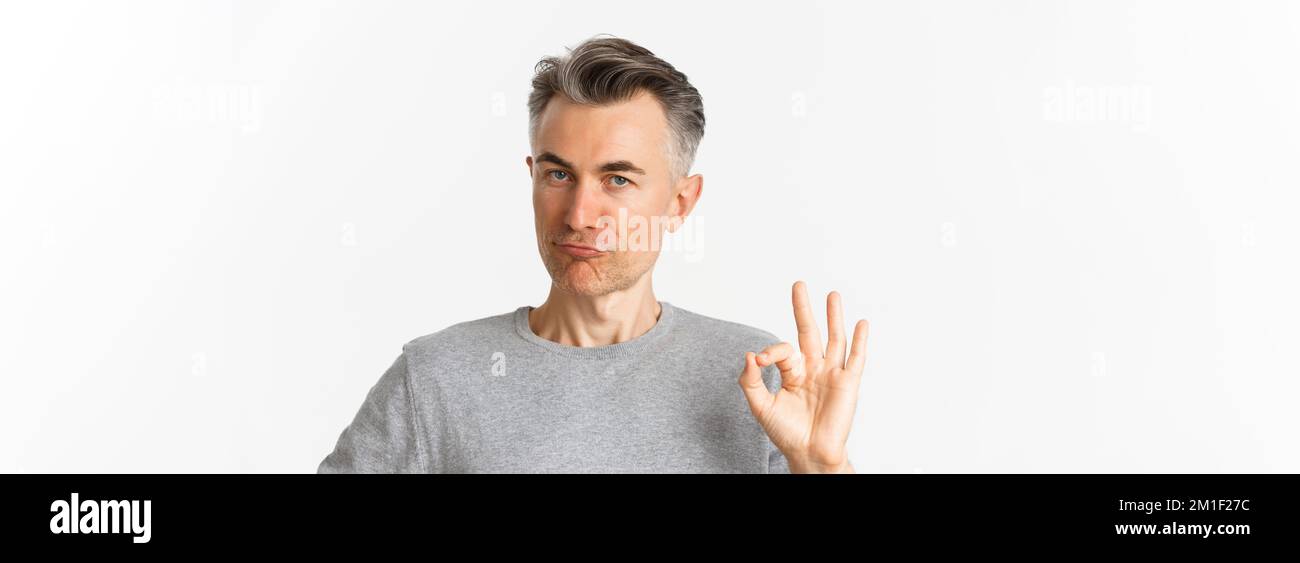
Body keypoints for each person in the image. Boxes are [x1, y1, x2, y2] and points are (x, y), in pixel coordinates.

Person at [317, 35, 869, 474]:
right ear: (531, 177)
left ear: (680, 201)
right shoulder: (435, 377)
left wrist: (824, 468)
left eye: (618, 179)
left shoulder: (759, 380)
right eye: (559, 174)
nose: (579, 214)